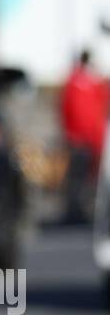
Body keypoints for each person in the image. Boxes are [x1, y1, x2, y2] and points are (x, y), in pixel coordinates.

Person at [59, 48, 109, 221]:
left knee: (89, 177)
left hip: (92, 138)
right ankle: (74, 211)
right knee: (77, 177)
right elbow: (68, 110)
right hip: (79, 139)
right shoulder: (76, 82)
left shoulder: (92, 84)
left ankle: (88, 210)